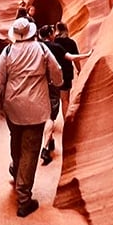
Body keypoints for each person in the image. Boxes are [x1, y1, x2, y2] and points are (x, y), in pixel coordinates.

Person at [0, 16, 63, 217]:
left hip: (13, 107)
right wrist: (56, 82)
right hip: (36, 107)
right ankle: (24, 199)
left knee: (16, 138)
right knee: (30, 149)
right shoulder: (41, 49)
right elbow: (56, 73)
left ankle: (16, 168)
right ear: (31, 32)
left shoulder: (7, 52)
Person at [37, 25, 66, 164]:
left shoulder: (35, 47)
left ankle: (50, 140)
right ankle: (45, 148)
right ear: (49, 34)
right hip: (51, 86)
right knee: (50, 117)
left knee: (43, 116)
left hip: (36, 86)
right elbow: (64, 62)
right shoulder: (54, 48)